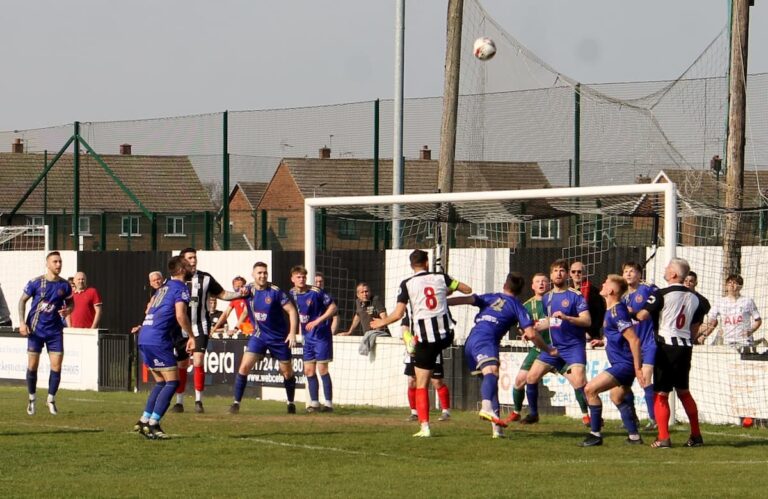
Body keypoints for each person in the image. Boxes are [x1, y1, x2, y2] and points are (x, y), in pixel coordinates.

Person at [370, 249, 471, 438]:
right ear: (426, 263)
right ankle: (442, 410)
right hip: (446, 335)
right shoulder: (441, 277)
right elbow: (467, 289)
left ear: (411, 266)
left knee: (421, 385)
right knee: (434, 372)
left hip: (425, 340)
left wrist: (381, 322)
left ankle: (425, 426)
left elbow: (399, 314)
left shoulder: (407, 284)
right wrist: (447, 290)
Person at [449, 272, 555, 439]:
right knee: (491, 373)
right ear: (521, 290)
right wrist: (548, 349)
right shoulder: (517, 306)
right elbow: (532, 334)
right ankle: (485, 406)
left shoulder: (492, 297)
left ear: (505, 285)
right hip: (487, 340)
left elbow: (466, 299)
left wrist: (443, 303)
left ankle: (497, 429)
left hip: (471, 341)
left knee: (490, 381)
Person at [636, 257, 707, 448]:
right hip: (685, 347)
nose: (665, 269)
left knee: (661, 394)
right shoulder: (696, 298)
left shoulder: (661, 293)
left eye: (668, 267)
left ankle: (663, 437)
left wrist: (632, 307)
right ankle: (696, 436)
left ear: (674, 274)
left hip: (666, 346)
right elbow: (696, 322)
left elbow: (641, 316)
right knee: (684, 391)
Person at [507, 273, 590, 425]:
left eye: (544, 281)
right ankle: (518, 412)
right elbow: (524, 328)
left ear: (549, 283)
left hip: (561, 348)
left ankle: (588, 414)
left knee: (578, 381)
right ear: (532, 286)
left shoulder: (554, 300)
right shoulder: (526, 306)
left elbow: (556, 321)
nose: (541, 284)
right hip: (541, 350)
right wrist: (526, 333)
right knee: (521, 380)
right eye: (537, 281)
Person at [579, 275, 645, 447]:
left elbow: (634, 340)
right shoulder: (612, 310)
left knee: (590, 390)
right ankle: (634, 437)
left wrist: (637, 369)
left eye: (606, 283)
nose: (602, 284)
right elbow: (620, 335)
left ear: (611, 291)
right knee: (616, 397)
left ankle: (595, 434)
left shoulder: (617, 312)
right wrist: (604, 341)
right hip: (623, 364)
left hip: (624, 365)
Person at [133, 256, 194, 440]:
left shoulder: (164, 287)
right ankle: (154, 424)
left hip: (145, 336)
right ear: (182, 269)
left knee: (161, 382)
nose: (192, 265)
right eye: (189, 263)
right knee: (172, 382)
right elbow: (180, 315)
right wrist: (191, 336)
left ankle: (144, 420)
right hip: (158, 339)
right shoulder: (181, 288)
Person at [176, 247, 244, 414]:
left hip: (200, 326)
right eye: (190, 258)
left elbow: (223, 294)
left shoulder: (205, 278)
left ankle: (198, 400)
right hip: (181, 327)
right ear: (182, 260)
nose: (193, 260)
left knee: (198, 360)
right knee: (182, 364)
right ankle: (179, 401)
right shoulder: (175, 280)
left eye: (195, 257)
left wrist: (240, 293)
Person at [229, 261, 299, 414]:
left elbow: (292, 311)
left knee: (287, 372)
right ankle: (235, 403)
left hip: (278, 338)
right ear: (253, 275)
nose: (262, 275)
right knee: (244, 367)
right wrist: (236, 326)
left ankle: (290, 402)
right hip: (259, 335)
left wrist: (292, 333)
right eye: (259, 273)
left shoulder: (275, 292)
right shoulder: (248, 290)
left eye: (265, 273)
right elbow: (246, 310)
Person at [17, 251, 73, 415]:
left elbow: (71, 303)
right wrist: (21, 323)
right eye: (55, 262)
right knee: (32, 365)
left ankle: (51, 399)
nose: (58, 265)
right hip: (36, 331)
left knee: (56, 366)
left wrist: (68, 310)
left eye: (60, 262)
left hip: (55, 331)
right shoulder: (36, 282)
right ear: (47, 264)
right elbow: (22, 301)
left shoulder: (64, 285)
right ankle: (32, 398)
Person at [290, 265, 338, 412]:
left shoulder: (316, 292)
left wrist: (318, 321)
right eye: (298, 276)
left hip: (321, 336)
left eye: (304, 276)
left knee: (322, 369)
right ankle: (315, 403)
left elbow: (334, 308)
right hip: (307, 338)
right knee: (309, 371)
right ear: (292, 279)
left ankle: (328, 404)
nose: (302, 279)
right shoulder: (291, 293)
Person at [622, 261, 658, 430]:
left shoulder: (647, 289)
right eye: (626, 271)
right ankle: (632, 418)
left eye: (632, 271)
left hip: (649, 342)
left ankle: (653, 419)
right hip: (632, 346)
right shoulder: (622, 298)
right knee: (624, 384)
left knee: (645, 379)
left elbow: (659, 296)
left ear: (639, 274)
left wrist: (642, 311)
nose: (628, 274)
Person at [402, 315, 452, 423]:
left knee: (436, 381)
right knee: (411, 381)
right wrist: (409, 343)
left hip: (431, 349)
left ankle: (446, 411)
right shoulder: (410, 313)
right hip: (413, 350)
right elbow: (405, 330)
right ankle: (414, 413)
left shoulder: (432, 313)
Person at [699, 274, 762, 350]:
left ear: (740, 286)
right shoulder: (720, 302)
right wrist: (702, 335)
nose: (732, 285)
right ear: (726, 286)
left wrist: (750, 331)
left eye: (735, 283)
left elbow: (758, 321)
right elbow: (710, 322)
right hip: (727, 342)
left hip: (744, 342)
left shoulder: (747, 301)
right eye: (729, 283)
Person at [570, 260, 605, 340]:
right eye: (573, 272)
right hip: (572, 335)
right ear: (570, 274)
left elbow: (599, 315)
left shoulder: (593, 292)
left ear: (585, 274)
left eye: (579, 272)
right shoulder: (568, 291)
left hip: (589, 335)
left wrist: (590, 332)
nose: (576, 274)